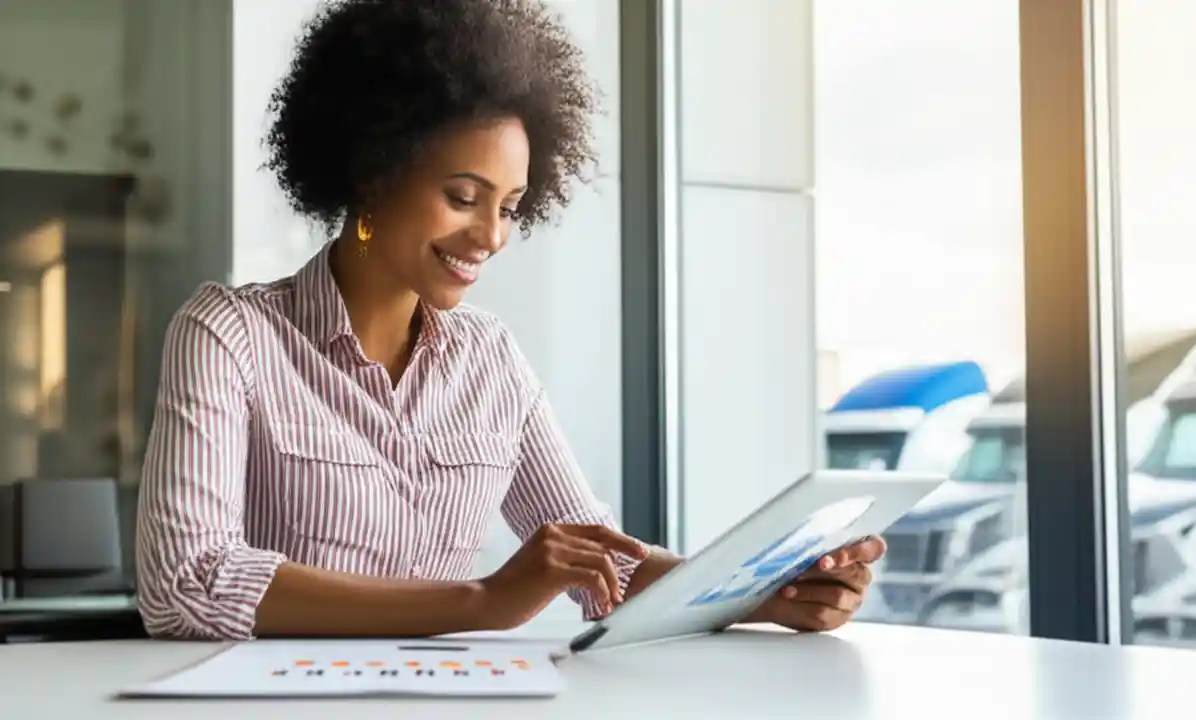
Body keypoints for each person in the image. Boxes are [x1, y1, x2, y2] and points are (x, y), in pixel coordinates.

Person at [135, 0, 885, 641]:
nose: (491, 236)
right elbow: (187, 584)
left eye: (509, 207)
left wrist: (771, 595)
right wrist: (482, 600)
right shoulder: (228, 334)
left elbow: (602, 561)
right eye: (463, 197)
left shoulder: (489, 359)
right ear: (372, 172)